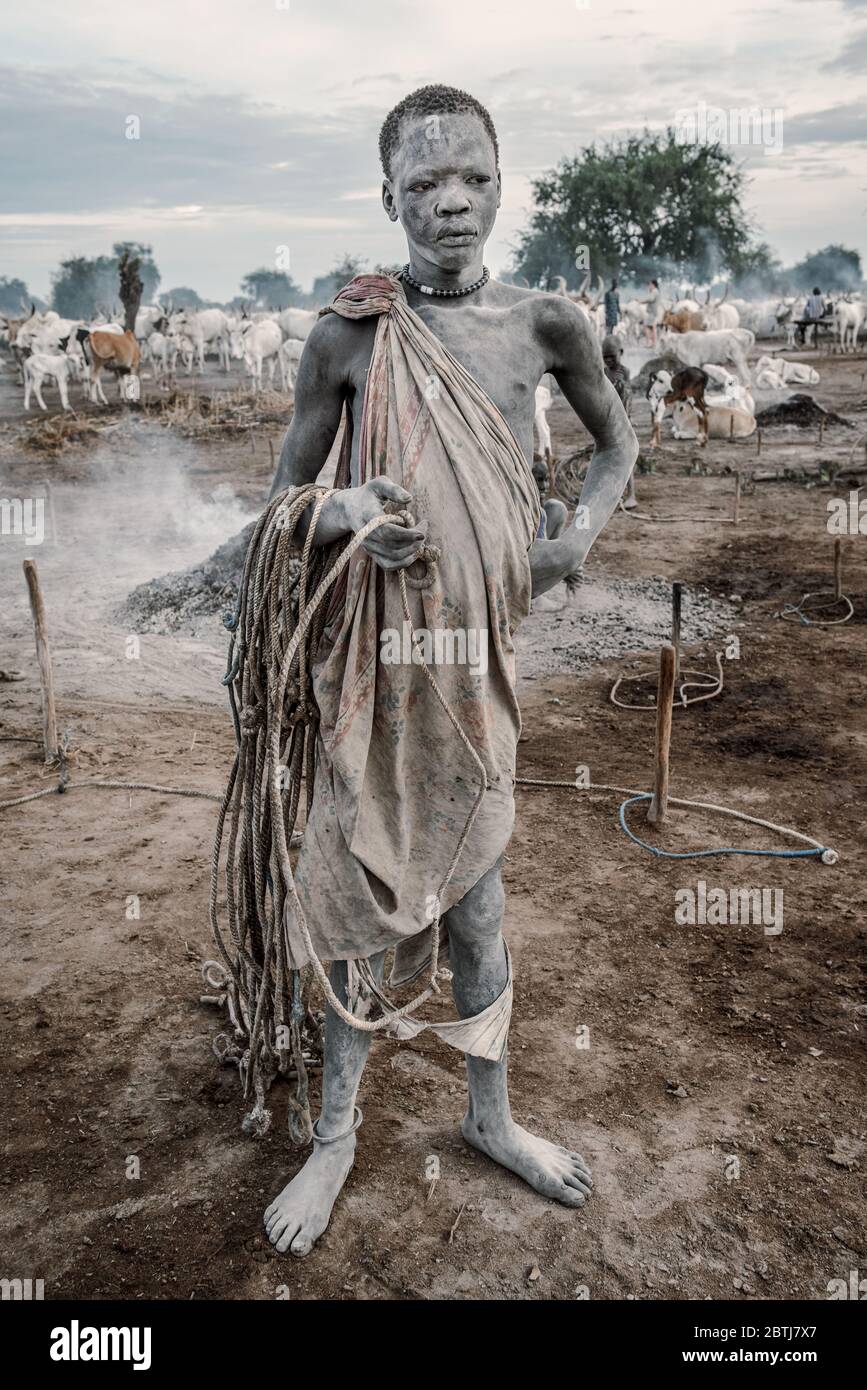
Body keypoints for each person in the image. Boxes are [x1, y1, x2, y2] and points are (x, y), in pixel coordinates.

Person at [262, 83, 637, 1258]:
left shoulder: (546, 324)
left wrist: (577, 535)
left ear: (499, 179)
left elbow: (616, 443)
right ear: (388, 198)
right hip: (372, 677)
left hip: (477, 677)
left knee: (478, 907)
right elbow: (281, 504)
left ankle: (492, 1118)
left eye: (469, 175)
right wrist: (348, 519)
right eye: (423, 184)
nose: (450, 201)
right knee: (357, 896)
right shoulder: (349, 335)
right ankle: (334, 1136)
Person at [602, 335, 636, 508]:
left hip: (622, 421)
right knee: (608, 461)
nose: (608, 360)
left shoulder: (625, 373)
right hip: (607, 421)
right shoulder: (603, 374)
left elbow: (627, 399)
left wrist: (625, 422)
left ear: (621, 352)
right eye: (605, 357)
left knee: (625, 459)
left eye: (612, 356)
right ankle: (613, 495)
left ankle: (631, 495)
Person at [643, 279, 662, 348]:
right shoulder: (656, 291)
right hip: (654, 312)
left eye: (650, 284)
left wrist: (641, 301)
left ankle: (649, 343)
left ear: (653, 285)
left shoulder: (654, 291)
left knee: (646, 327)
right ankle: (653, 344)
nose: (649, 286)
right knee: (653, 328)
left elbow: (650, 299)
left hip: (651, 312)